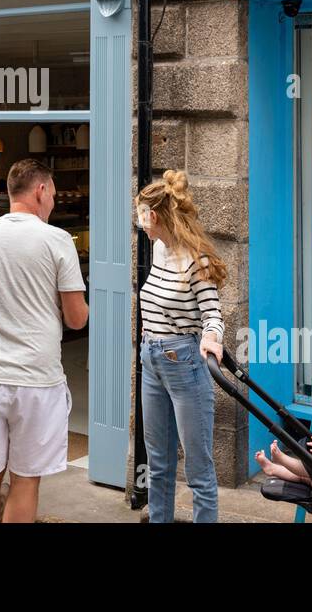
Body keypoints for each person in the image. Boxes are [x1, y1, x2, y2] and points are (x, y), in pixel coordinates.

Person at [0, 159, 88, 523]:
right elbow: (76, 318)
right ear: (41, 190)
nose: (53, 203)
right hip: (36, 379)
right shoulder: (57, 240)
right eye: (53, 195)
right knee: (25, 481)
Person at [135, 169, 226, 523]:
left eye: (141, 215)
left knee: (198, 469)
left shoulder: (195, 259)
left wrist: (211, 339)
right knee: (158, 464)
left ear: (154, 216)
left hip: (184, 361)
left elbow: (213, 314)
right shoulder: (159, 249)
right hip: (151, 359)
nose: (140, 223)